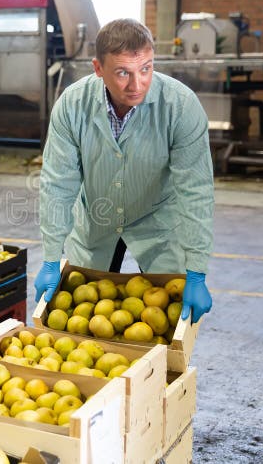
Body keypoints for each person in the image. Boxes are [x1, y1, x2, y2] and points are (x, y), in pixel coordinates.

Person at [34, 18, 213, 324]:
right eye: (122, 73)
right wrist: (51, 257)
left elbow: (195, 190)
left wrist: (196, 269)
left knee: (168, 327)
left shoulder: (180, 106)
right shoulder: (72, 106)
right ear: (98, 68)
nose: (137, 84)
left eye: (146, 69)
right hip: (95, 223)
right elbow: (57, 185)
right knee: (82, 323)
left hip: (158, 223)